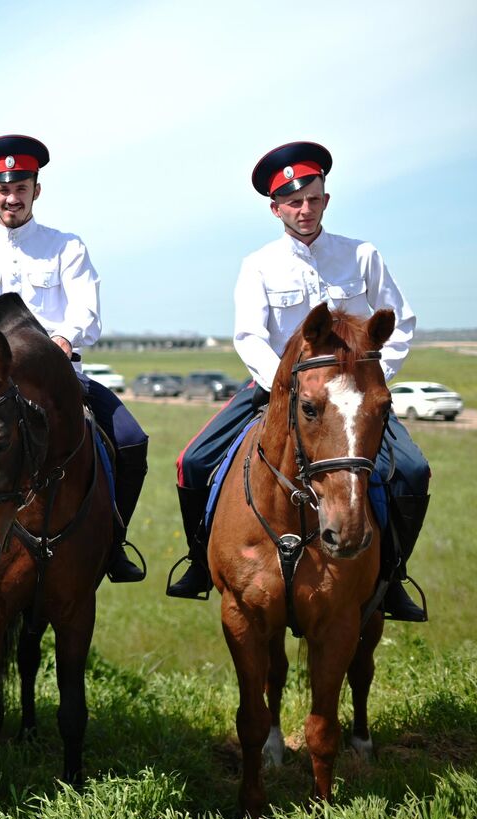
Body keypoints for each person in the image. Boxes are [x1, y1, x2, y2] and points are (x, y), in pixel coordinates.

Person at [167, 141, 429, 622]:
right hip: (279, 391)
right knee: (193, 461)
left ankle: (393, 578)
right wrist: (284, 389)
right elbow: (249, 335)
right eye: (293, 202)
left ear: (325, 199)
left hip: (350, 399)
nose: (304, 209)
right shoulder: (259, 264)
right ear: (275, 208)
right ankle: (200, 565)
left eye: (312, 198)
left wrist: (366, 387)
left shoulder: (363, 255)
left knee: (413, 472)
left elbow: (402, 322)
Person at [0, 134, 148, 583]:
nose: (12, 197)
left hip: (58, 386)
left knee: (130, 440)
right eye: (3, 188)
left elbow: (85, 311)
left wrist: (64, 341)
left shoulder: (66, 246)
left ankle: (114, 542)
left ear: (36, 189)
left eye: (21, 187)